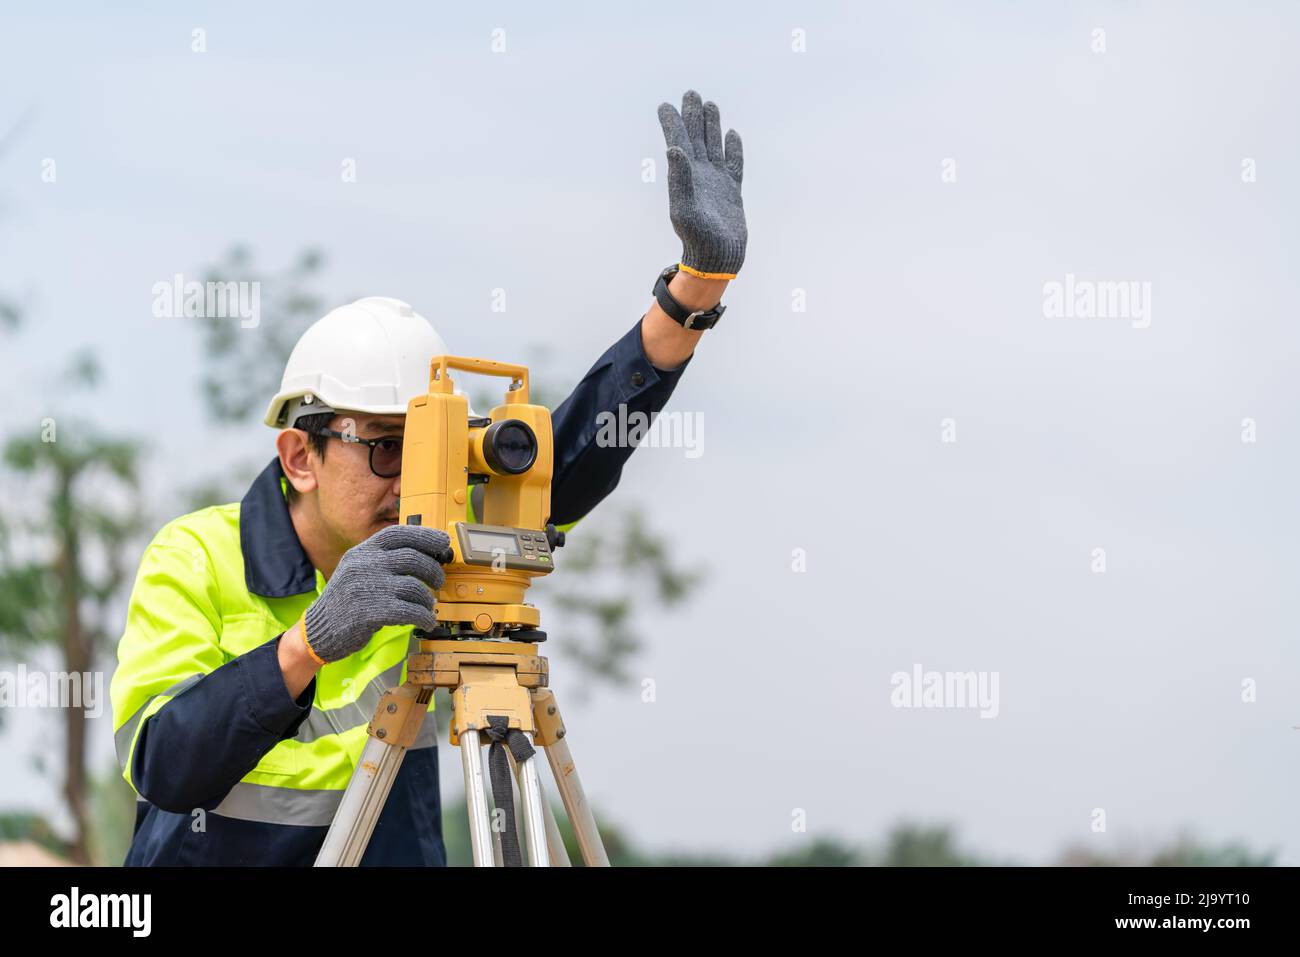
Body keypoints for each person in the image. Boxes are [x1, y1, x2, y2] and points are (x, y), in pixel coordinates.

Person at [109, 89, 747, 865]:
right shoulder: (196, 558)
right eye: (384, 447)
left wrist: (695, 291)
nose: (410, 479)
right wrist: (306, 647)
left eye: (426, 448)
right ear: (299, 456)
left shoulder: (436, 545)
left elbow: (576, 451)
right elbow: (163, 763)